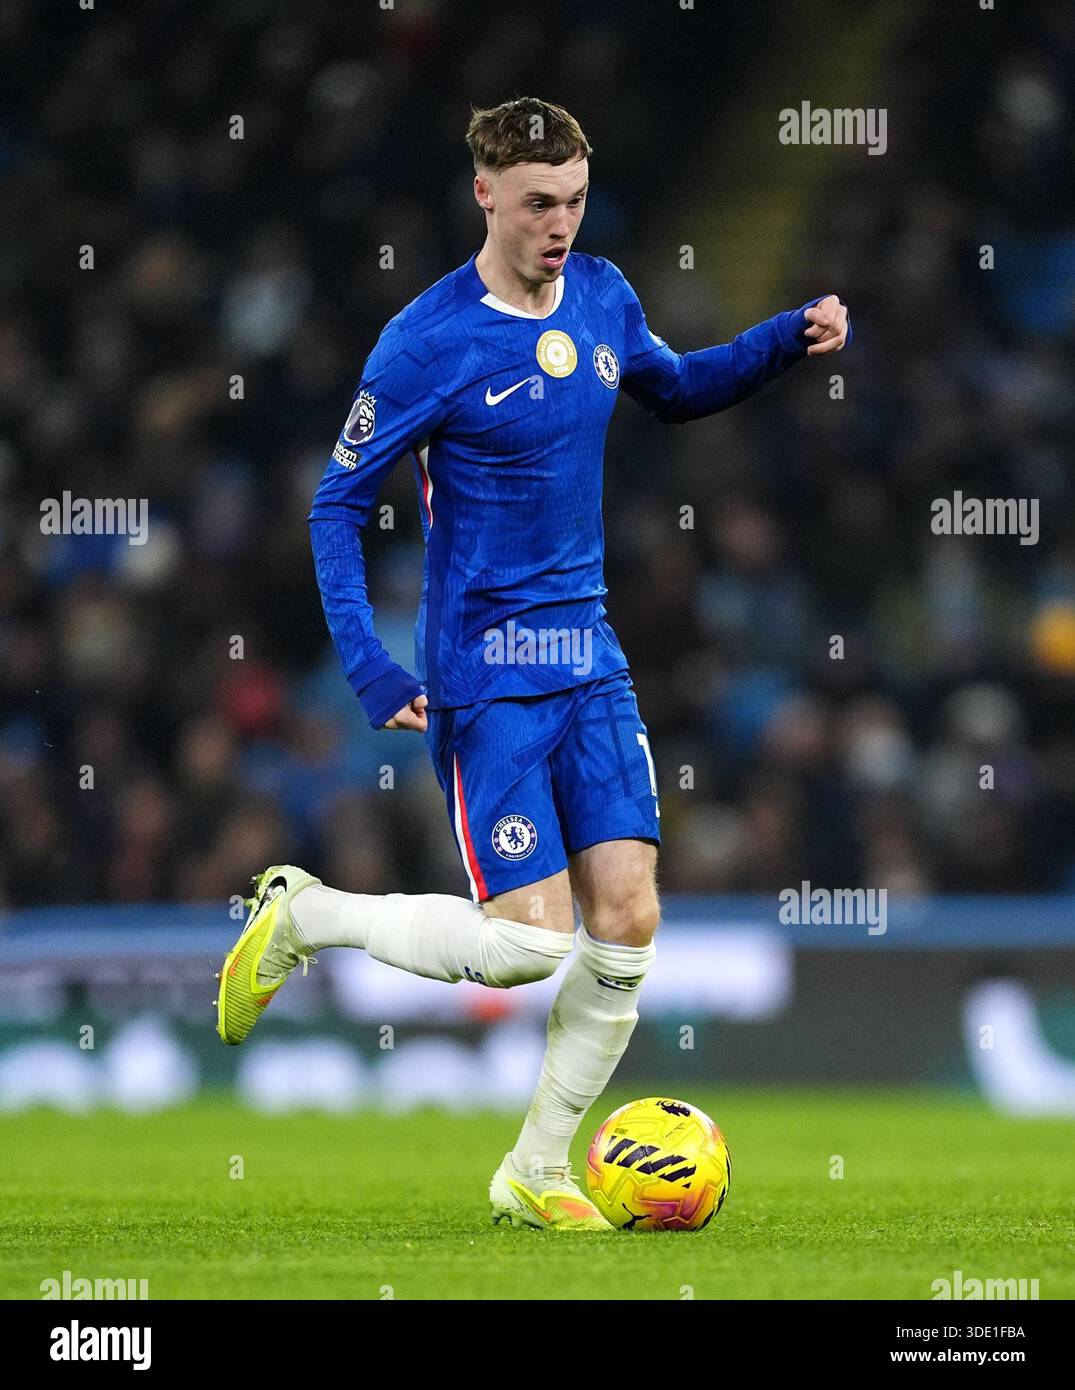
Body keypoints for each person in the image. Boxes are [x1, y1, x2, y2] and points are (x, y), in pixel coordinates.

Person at [215, 97, 850, 1230]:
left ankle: (537, 1168)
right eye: (539, 203)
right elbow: (334, 507)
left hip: (588, 657)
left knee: (631, 915)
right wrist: (370, 666)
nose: (561, 224)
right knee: (523, 946)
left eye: (575, 200)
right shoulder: (427, 342)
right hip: (487, 671)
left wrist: (783, 338)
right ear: (487, 195)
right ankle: (306, 916)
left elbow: (676, 388)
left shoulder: (604, 294)